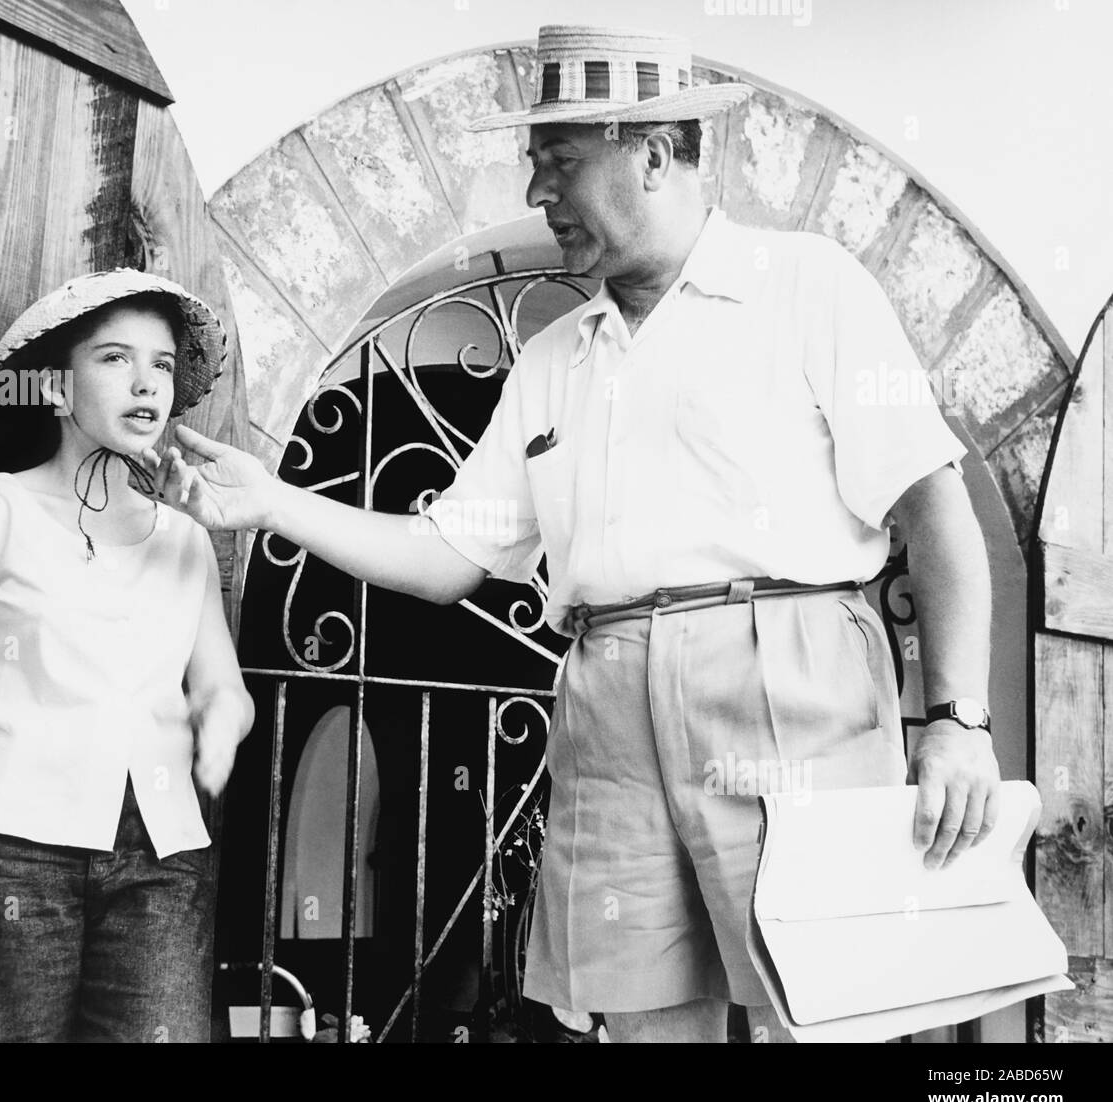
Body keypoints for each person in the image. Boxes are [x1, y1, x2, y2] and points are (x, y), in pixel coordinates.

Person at [143, 25, 999, 1044]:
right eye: (533, 165)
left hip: (787, 667)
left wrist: (956, 718)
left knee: (814, 1014)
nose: (538, 193)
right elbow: (445, 556)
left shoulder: (810, 285)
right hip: (606, 695)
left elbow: (933, 505)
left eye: (560, 164)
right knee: (635, 1020)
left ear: (653, 151)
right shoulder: (553, 356)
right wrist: (272, 501)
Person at [0, 268, 254, 1042]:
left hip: (160, 860)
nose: (146, 381)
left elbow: (225, 685)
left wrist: (221, 722)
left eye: (160, 363)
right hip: (6, 859)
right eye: (115, 358)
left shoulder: (186, 534)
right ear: (57, 387)